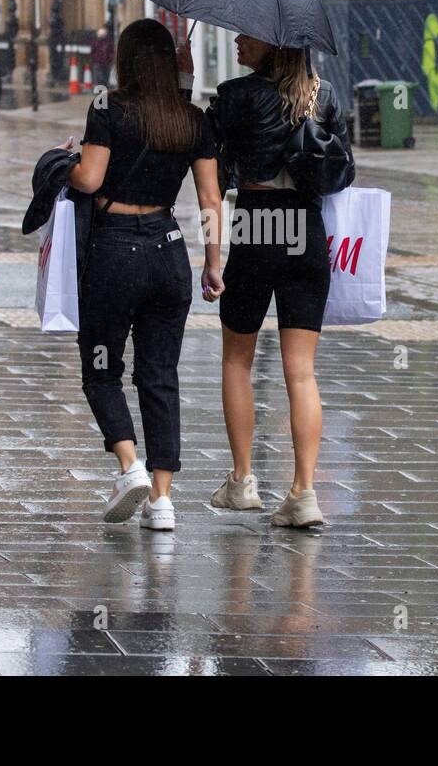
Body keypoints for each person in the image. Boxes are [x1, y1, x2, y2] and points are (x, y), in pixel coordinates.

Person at [62, 18, 223, 531]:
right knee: (159, 376)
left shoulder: (108, 108)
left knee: (101, 368)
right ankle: (162, 500)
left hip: (114, 250)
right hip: (169, 253)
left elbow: (89, 178)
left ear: (125, 60)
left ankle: (129, 466)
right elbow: (210, 200)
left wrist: (66, 161)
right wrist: (214, 263)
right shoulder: (193, 120)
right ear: (171, 64)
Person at [194, 34, 349, 529]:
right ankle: (304, 492)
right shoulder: (323, 95)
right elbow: (344, 169)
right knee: (301, 371)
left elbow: (201, 153)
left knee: (237, 360)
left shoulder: (236, 96)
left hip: (257, 226)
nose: (238, 40)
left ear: (276, 44)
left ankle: (242, 482)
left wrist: (181, 83)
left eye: (249, 34)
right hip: (308, 230)